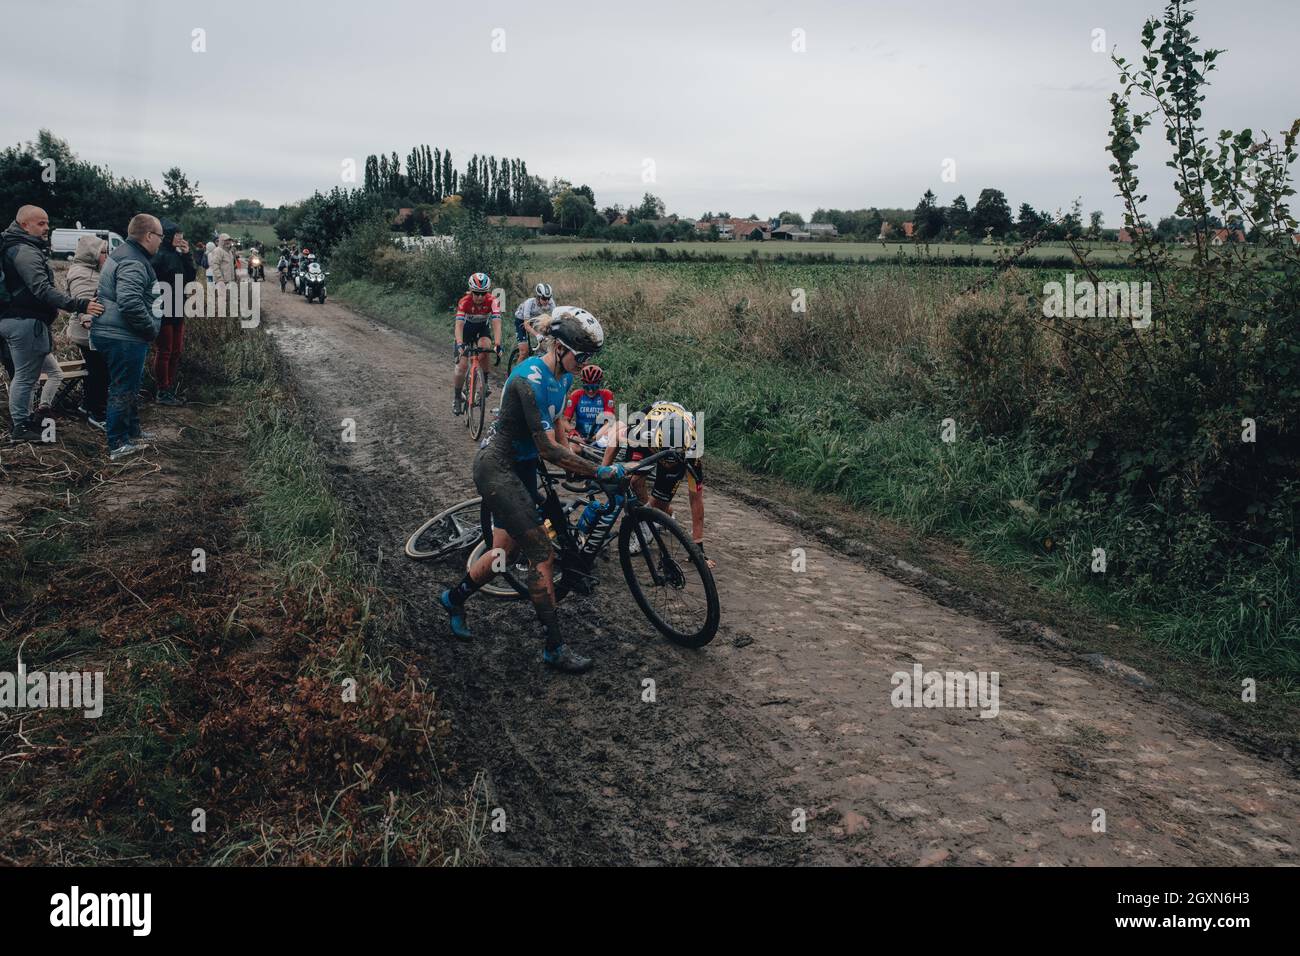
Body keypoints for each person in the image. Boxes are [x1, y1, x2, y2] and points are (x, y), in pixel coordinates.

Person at [438, 307, 622, 673]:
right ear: (557, 345)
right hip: (497, 467)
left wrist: (582, 453)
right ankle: (554, 646)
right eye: (580, 355)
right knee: (541, 552)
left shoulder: (563, 376)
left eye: (589, 358)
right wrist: (600, 471)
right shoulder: (528, 379)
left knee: (503, 553)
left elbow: (559, 434)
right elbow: (548, 450)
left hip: (521, 466)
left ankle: (453, 598)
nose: (583, 363)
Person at [0, 205, 104, 442]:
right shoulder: (24, 251)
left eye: (47, 222)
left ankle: (25, 422)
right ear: (24, 225)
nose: (47, 228)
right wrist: (79, 304)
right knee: (26, 376)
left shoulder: (18, 246)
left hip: (18, 320)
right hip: (24, 322)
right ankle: (21, 428)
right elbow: (41, 289)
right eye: (41, 223)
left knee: (28, 374)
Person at [91, 213, 163, 461]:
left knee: (130, 386)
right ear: (149, 235)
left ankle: (132, 432)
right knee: (122, 387)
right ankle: (118, 443)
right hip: (122, 335)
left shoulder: (125, 253)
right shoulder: (133, 260)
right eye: (160, 236)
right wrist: (149, 328)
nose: (161, 241)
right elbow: (130, 302)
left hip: (119, 333)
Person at [626, 400, 713, 568]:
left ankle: (655, 517)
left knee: (661, 502)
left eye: (671, 461)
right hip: (653, 418)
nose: (667, 464)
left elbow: (696, 498)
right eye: (664, 459)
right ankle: (647, 523)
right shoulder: (642, 431)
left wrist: (698, 548)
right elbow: (616, 438)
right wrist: (602, 469)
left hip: (677, 426)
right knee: (633, 481)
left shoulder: (692, 446)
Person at [64, 235, 110, 430]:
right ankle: (97, 413)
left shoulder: (90, 270)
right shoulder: (82, 274)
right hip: (88, 333)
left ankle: (87, 405)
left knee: (95, 370)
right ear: (92, 254)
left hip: (91, 332)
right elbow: (82, 301)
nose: (107, 256)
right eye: (104, 252)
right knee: (101, 372)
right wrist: (87, 319)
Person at [150, 219, 194, 406]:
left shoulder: (178, 255)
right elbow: (151, 283)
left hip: (178, 307)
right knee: (165, 350)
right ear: (167, 236)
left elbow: (190, 277)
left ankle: (168, 387)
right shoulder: (158, 256)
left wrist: (187, 255)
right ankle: (162, 390)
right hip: (163, 308)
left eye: (181, 234)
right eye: (177, 234)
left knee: (176, 350)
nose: (180, 238)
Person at [451, 272, 502, 415]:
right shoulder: (464, 301)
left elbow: (497, 323)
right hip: (465, 332)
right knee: (461, 367)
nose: (480, 297)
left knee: (486, 348)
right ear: (471, 291)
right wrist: (460, 344)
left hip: (481, 330)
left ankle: (483, 383)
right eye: (476, 293)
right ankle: (457, 397)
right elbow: (459, 326)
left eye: (483, 293)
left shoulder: (492, 301)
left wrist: (497, 344)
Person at [563, 363, 618, 456]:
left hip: (599, 437)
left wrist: (599, 435)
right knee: (573, 448)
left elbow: (609, 422)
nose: (591, 391)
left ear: (599, 384)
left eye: (594, 387)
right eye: (587, 387)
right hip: (580, 437)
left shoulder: (606, 395)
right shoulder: (576, 395)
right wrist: (571, 430)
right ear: (583, 384)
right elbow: (565, 420)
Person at [512, 281, 554, 365]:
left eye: (548, 298)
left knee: (545, 333)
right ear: (538, 297)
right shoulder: (529, 303)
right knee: (524, 352)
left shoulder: (551, 302)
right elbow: (526, 325)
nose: (547, 301)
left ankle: (540, 352)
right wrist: (537, 335)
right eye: (544, 298)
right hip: (521, 320)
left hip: (535, 320)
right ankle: (514, 376)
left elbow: (555, 318)